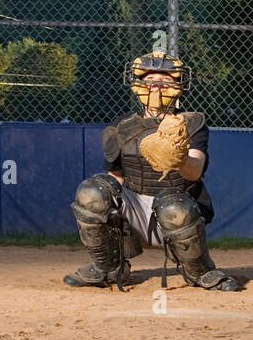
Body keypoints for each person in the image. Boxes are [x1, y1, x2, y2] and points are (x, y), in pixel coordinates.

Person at [63, 51, 241, 292]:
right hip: (135, 208)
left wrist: (178, 158)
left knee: (173, 205)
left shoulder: (192, 122)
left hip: (176, 214)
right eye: (150, 81)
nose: (156, 88)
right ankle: (108, 267)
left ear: (177, 86)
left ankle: (199, 270)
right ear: (138, 85)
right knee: (92, 191)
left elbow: (195, 171)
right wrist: (108, 209)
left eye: (164, 81)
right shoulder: (123, 125)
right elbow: (115, 179)